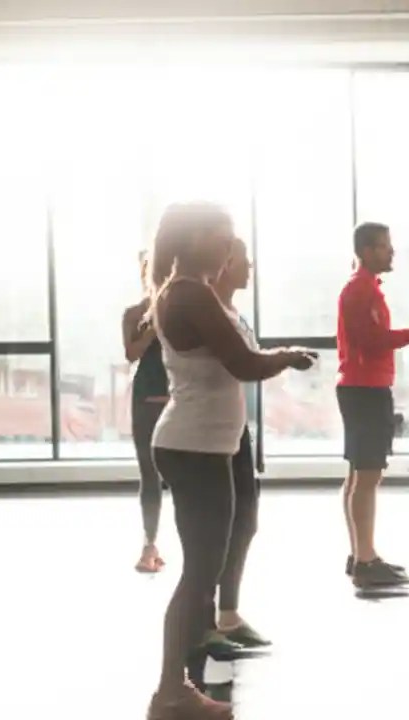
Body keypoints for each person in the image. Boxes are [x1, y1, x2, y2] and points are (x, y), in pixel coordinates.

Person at [146, 202, 315, 720]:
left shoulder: (185, 289)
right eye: (223, 237)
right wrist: (286, 356)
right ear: (194, 239)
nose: (229, 248)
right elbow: (242, 363)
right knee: (200, 572)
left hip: (201, 443)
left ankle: (176, 686)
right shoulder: (191, 292)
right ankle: (169, 691)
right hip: (194, 445)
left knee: (205, 569)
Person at [335, 221, 409, 588]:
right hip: (364, 390)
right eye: (383, 246)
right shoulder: (358, 291)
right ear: (366, 251)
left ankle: (361, 555)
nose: (391, 251)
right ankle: (365, 560)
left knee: (358, 475)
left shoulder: (364, 290)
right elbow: (372, 341)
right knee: (367, 475)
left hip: (362, 388)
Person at [205, 236, 269, 649]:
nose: (251, 266)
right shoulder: (209, 314)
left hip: (238, 430)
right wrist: (284, 357)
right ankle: (206, 620)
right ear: (225, 264)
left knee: (245, 520)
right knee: (216, 528)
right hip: (212, 435)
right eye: (244, 260)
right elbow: (244, 365)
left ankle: (228, 614)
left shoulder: (233, 314)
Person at [123, 251, 169, 573]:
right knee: (149, 474)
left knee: (186, 479)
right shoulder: (134, 313)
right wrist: (151, 328)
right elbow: (131, 353)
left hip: (180, 399)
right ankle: (149, 544)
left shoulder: (182, 311)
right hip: (146, 400)